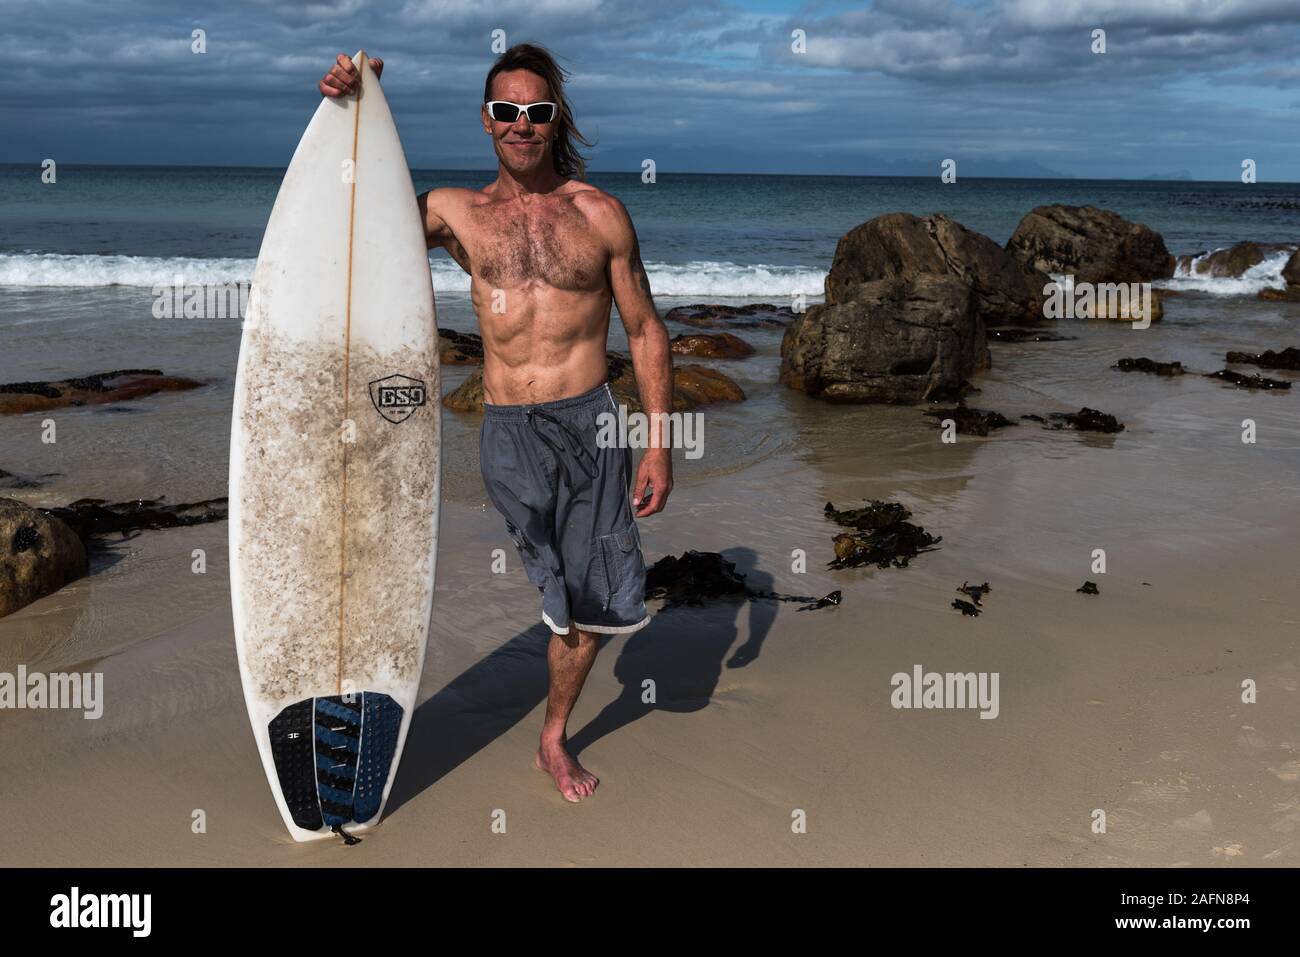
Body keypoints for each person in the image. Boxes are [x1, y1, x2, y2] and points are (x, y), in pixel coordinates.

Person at [319, 43, 674, 802]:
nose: (522, 124)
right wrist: (357, 109)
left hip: (590, 427)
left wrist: (658, 445)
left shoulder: (601, 214)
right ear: (487, 121)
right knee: (555, 586)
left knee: (586, 601)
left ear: (554, 121)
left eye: (536, 112)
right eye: (507, 111)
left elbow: (645, 331)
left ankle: (552, 737)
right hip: (507, 431)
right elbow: (357, 219)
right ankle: (557, 652)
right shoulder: (457, 213)